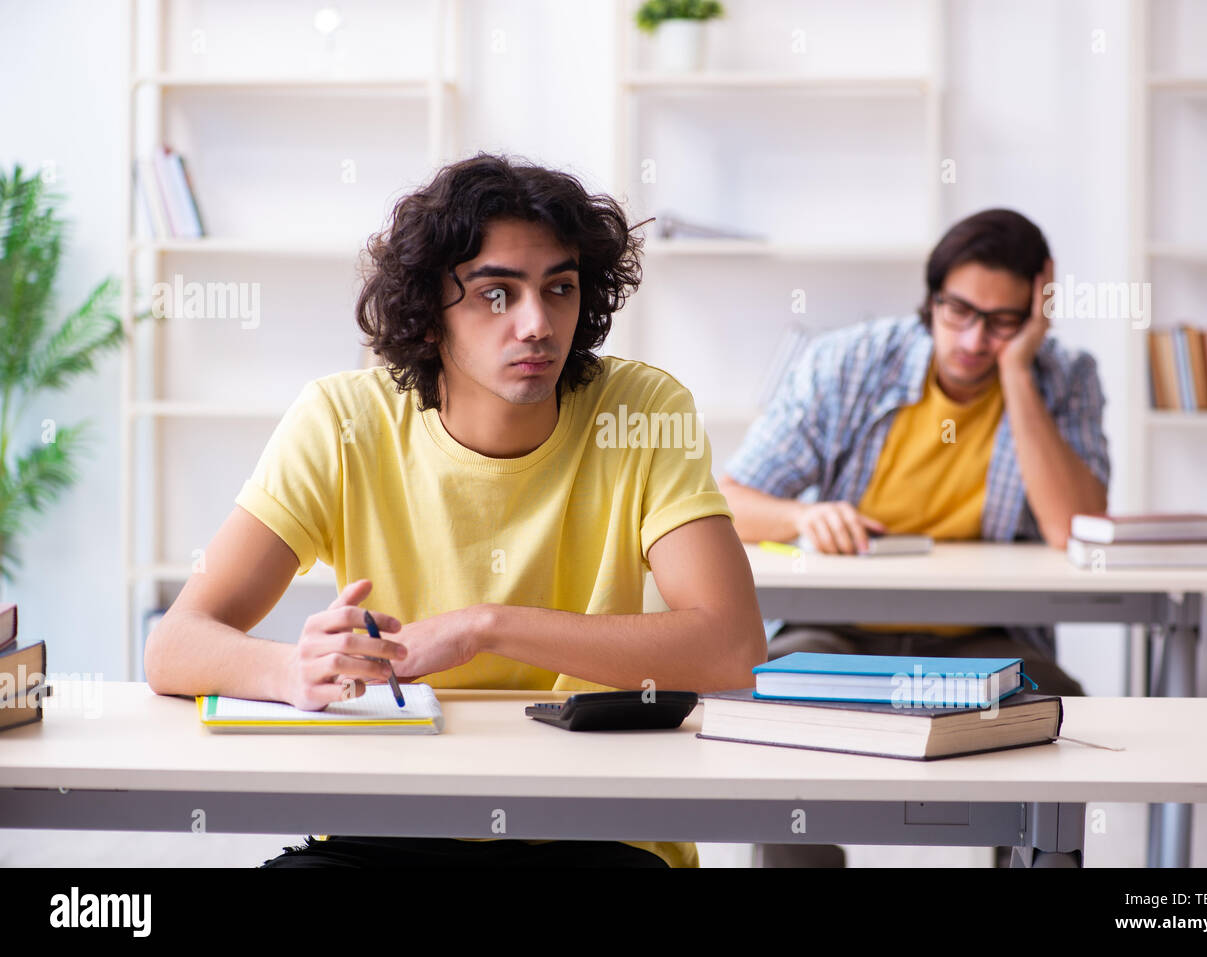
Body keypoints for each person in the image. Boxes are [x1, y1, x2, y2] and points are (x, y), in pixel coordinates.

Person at [144, 152, 767, 869]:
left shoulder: (642, 410)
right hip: (382, 822)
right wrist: (293, 670)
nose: (536, 323)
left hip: (594, 829)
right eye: (496, 294)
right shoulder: (341, 422)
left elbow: (731, 649)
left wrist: (484, 626)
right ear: (428, 315)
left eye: (559, 288)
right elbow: (175, 644)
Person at [719, 208, 1109, 868]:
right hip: (839, 634)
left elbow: (1073, 528)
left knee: (1060, 705)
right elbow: (728, 498)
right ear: (930, 300)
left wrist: (1018, 374)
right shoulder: (847, 361)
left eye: (1003, 322)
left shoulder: (1064, 377)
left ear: (1034, 318)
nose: (974, 339)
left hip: (992, 644)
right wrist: (802, 518)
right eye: (958, 310)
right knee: (774, 697)